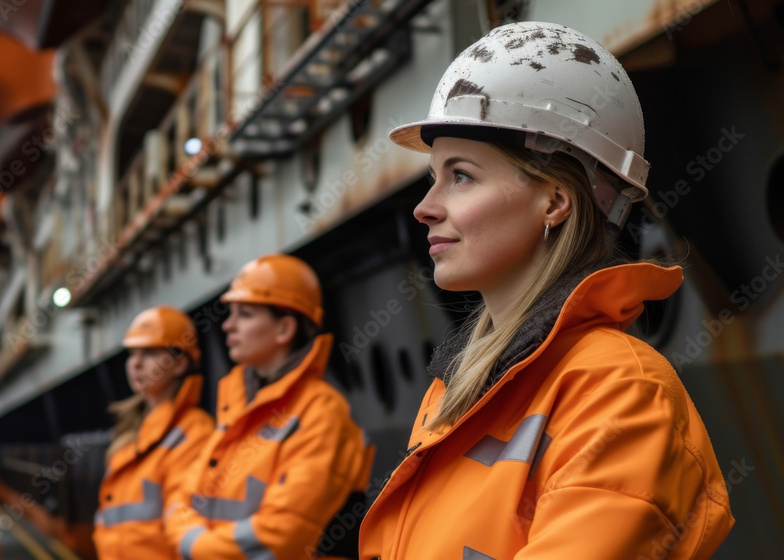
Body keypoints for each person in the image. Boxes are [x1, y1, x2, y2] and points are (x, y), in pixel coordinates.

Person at [359, 21, 734, 559]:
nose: (425, 207)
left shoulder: (621, 391)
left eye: (460, 175)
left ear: (556, 202)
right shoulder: (463, 382)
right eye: (433, 177)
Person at [165, 254, 375, 560]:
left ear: (284, 329)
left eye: (245, 314)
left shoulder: (322, 411)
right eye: (230, 313)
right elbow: (179, 500)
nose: (227, 326)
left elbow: (281, 537)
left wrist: (195, 546)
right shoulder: (236, 405)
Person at [93, 306, 214, 560]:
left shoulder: (195, 431)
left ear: (180, 363)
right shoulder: (129, 433)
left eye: (148, 353)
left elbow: (185, 522)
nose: (135, 363)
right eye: (132, 354)